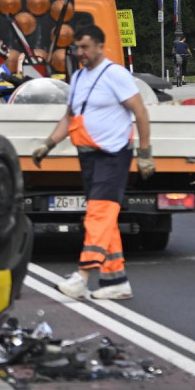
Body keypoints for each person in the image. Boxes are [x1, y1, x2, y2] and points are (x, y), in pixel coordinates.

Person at [32, 25, 153, 300]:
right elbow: (70, 117)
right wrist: (47, 144)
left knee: (97, 216)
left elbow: (141, 113)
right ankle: (116, 280)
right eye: (77, 48)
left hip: (113, 156)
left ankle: (82, 277)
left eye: (85, 47)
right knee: (106, 220)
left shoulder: (116, 75)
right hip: (88, 157)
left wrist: (145, 154)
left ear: (100, 46)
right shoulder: (78, 78)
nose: (80, 53)